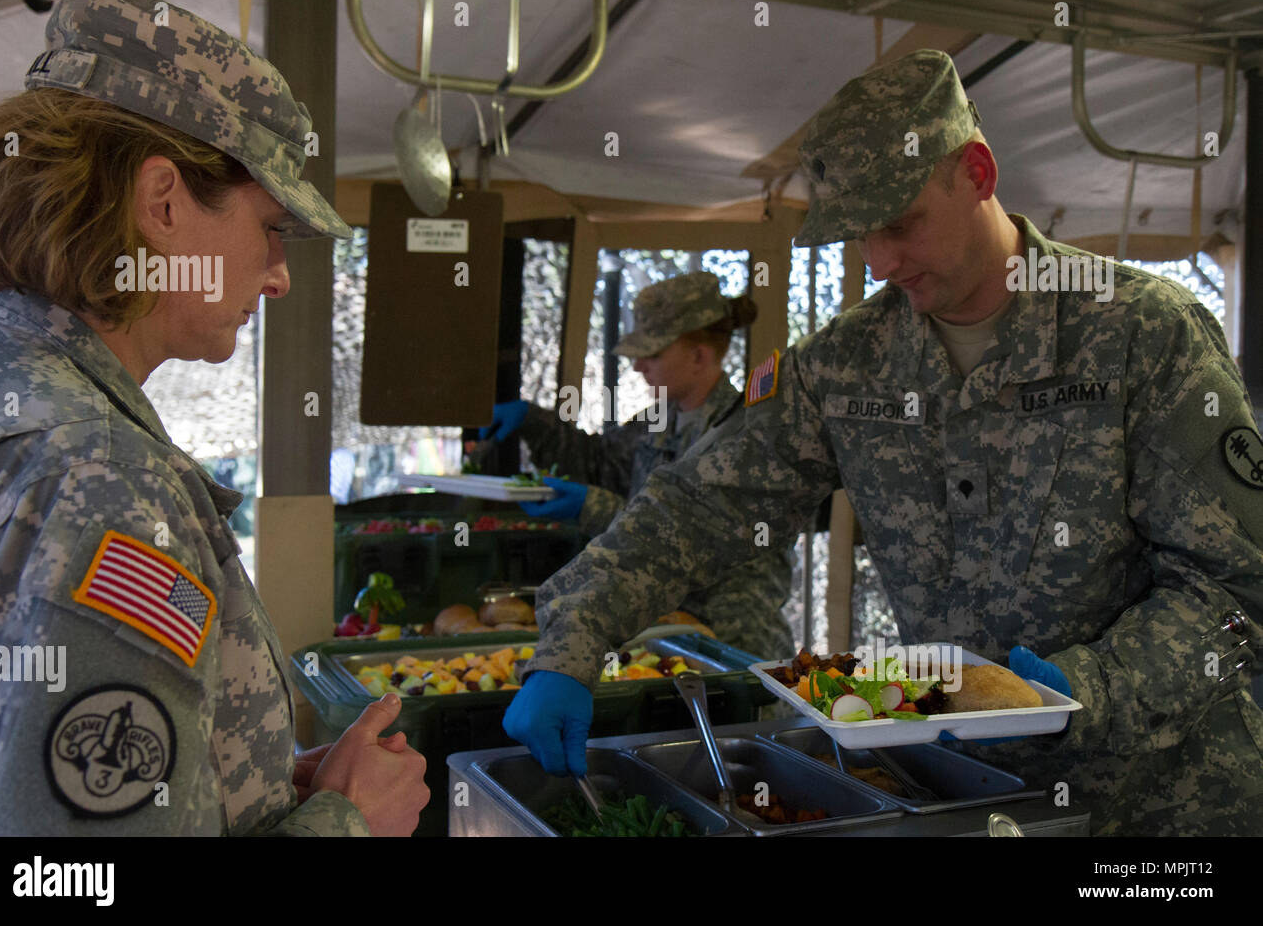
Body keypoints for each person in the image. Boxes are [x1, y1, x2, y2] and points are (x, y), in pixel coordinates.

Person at [502, 49, 1263, 835]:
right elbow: (698, 504)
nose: (883, 261)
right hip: (969, 797)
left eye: (901, 223)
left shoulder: (1139, 333)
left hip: (1167, 808)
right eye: (861, 235)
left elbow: (1238, 589)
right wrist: (573, 637)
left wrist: (1085, 691)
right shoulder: (846, 366)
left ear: (976, 172)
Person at [0, 0, 428, 835]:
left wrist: (245, 783)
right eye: (272, 226)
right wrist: (350, 821)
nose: (280, 275)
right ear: (164, 203)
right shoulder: (100, 475)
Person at [481, 271, 795, 661]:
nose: (638, 367)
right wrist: (533, 421)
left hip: (731, 651)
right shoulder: (658, 422)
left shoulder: (749, 435)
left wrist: (592, 508)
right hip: (661, 639)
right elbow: (599, 463)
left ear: (700, 355)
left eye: (653, 354)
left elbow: (697, 545)